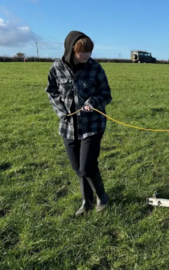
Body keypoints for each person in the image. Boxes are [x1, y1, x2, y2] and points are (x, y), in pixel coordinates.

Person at [45, 31, 112, 216]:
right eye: (82, 53)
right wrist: (61, 111)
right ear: (71, 50)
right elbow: (51, 91)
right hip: (68, 127)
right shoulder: (57, 67)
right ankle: (86, 202)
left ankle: (102, 198)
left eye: (89, 53)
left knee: (87, 166)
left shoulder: (95, 68)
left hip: (93, 126)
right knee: (77, 168)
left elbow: (106, 94)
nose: (86, 57)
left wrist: (92, 102)